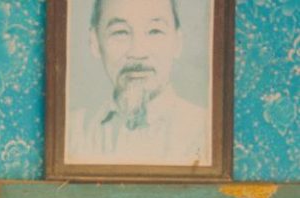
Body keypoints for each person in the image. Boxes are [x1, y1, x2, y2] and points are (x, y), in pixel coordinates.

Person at [67, 0, 209, 166]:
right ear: (95, 42)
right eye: (120, 32)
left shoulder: (206, 131)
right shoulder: (72, 132)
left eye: (155, 31)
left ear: (178, 42)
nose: (137, 52)